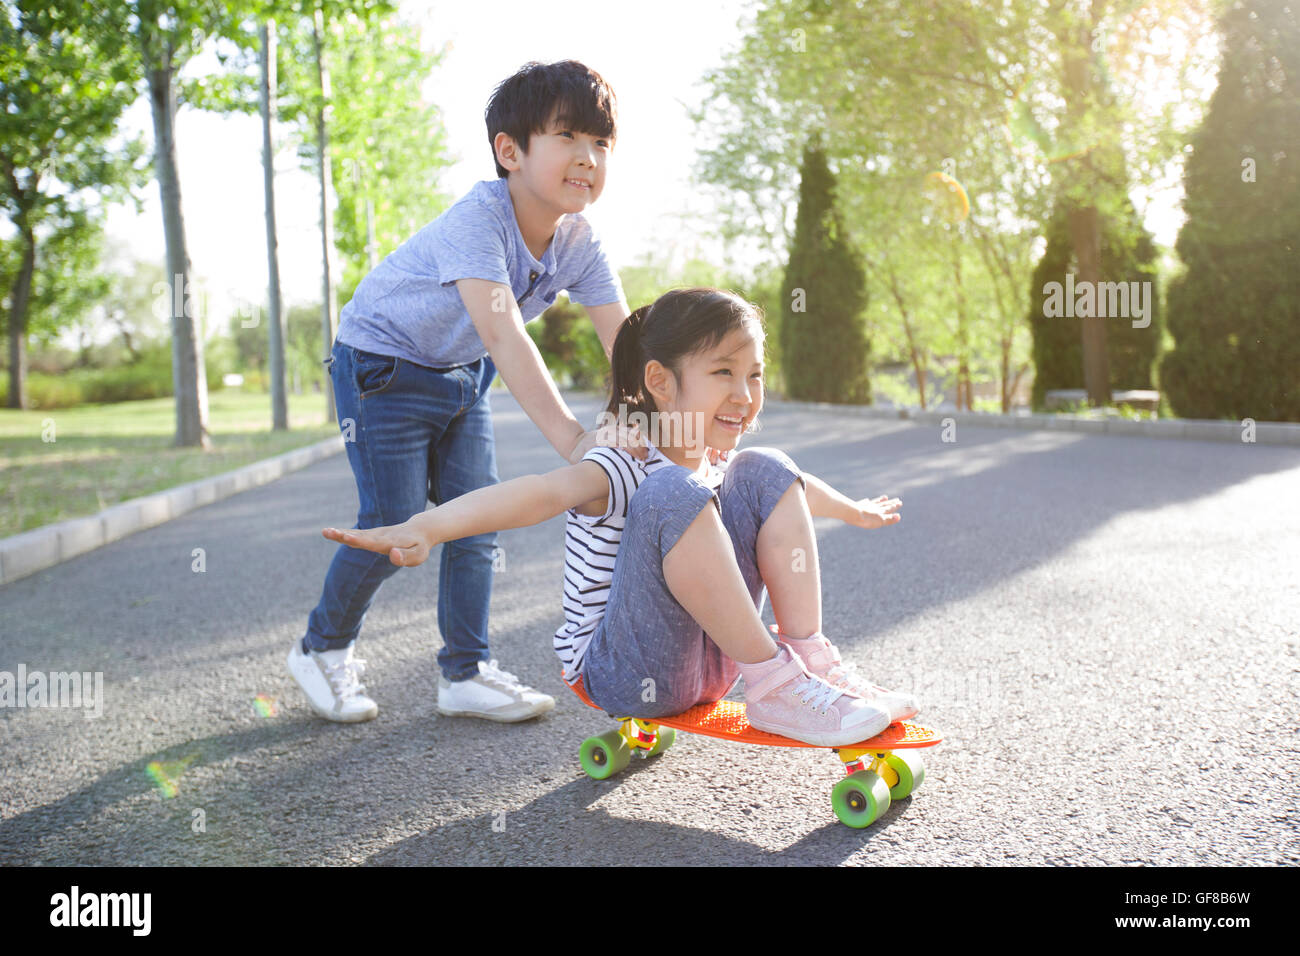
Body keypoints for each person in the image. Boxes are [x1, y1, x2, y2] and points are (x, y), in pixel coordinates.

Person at [322, 288, 919, 746]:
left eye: (754, 375)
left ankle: (807, 661)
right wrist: (426, 527)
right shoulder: (625, 461)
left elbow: (794, 485)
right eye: (723, 373)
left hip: (708, 666)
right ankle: (774, 686)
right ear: (659, 381)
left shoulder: (716, 454)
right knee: (669, 492)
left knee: (766, 464)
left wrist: (852, 510)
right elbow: (537, 493)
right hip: (619, 670)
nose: (745, 394)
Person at [289, 60, 647, 724]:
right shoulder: (478, 222)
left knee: (478, 521)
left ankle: (465, 672)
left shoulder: (580, 240)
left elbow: (626, 343)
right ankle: (321, 649)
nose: (588, 157)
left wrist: (671, 421)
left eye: (602, 143)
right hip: (382, 367)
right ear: (509, 151)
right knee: (391, 520)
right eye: (569, 136)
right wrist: (574, 439)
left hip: (462, 372)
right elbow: (508, 335)